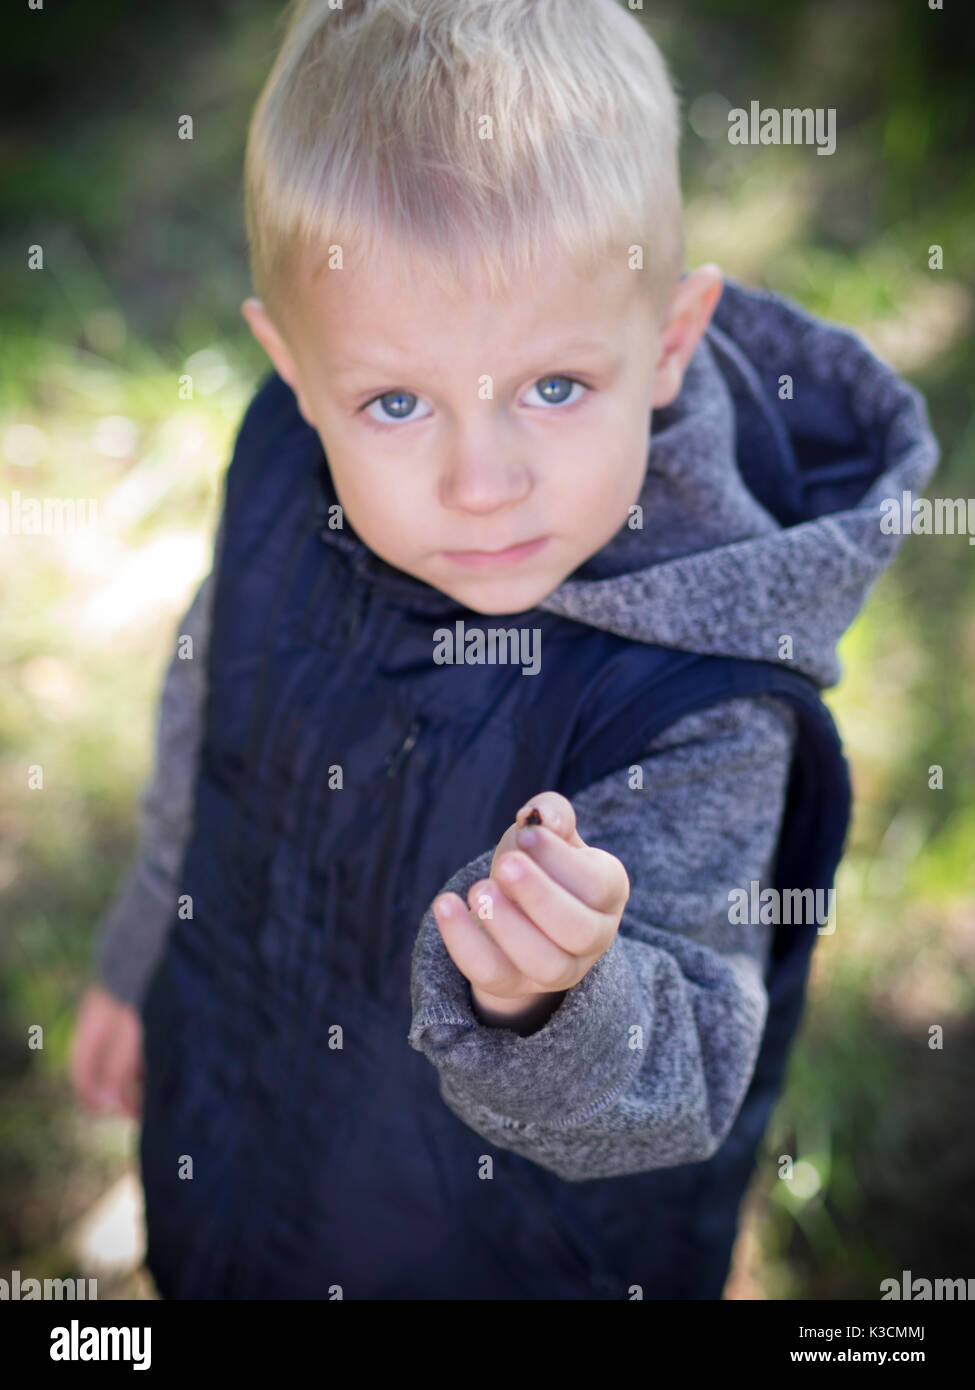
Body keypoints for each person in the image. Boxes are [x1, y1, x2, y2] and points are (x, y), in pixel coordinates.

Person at [69, 0, 939, 1298]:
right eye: (398, 401)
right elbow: (216, 721)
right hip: (246, 1130)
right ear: (296, 374)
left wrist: (555, 1003)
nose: (483, 483)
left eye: (552, 388)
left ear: (667, 344)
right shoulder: (287, 478)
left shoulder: (695, 698)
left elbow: (687, 1075)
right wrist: (146, 951)